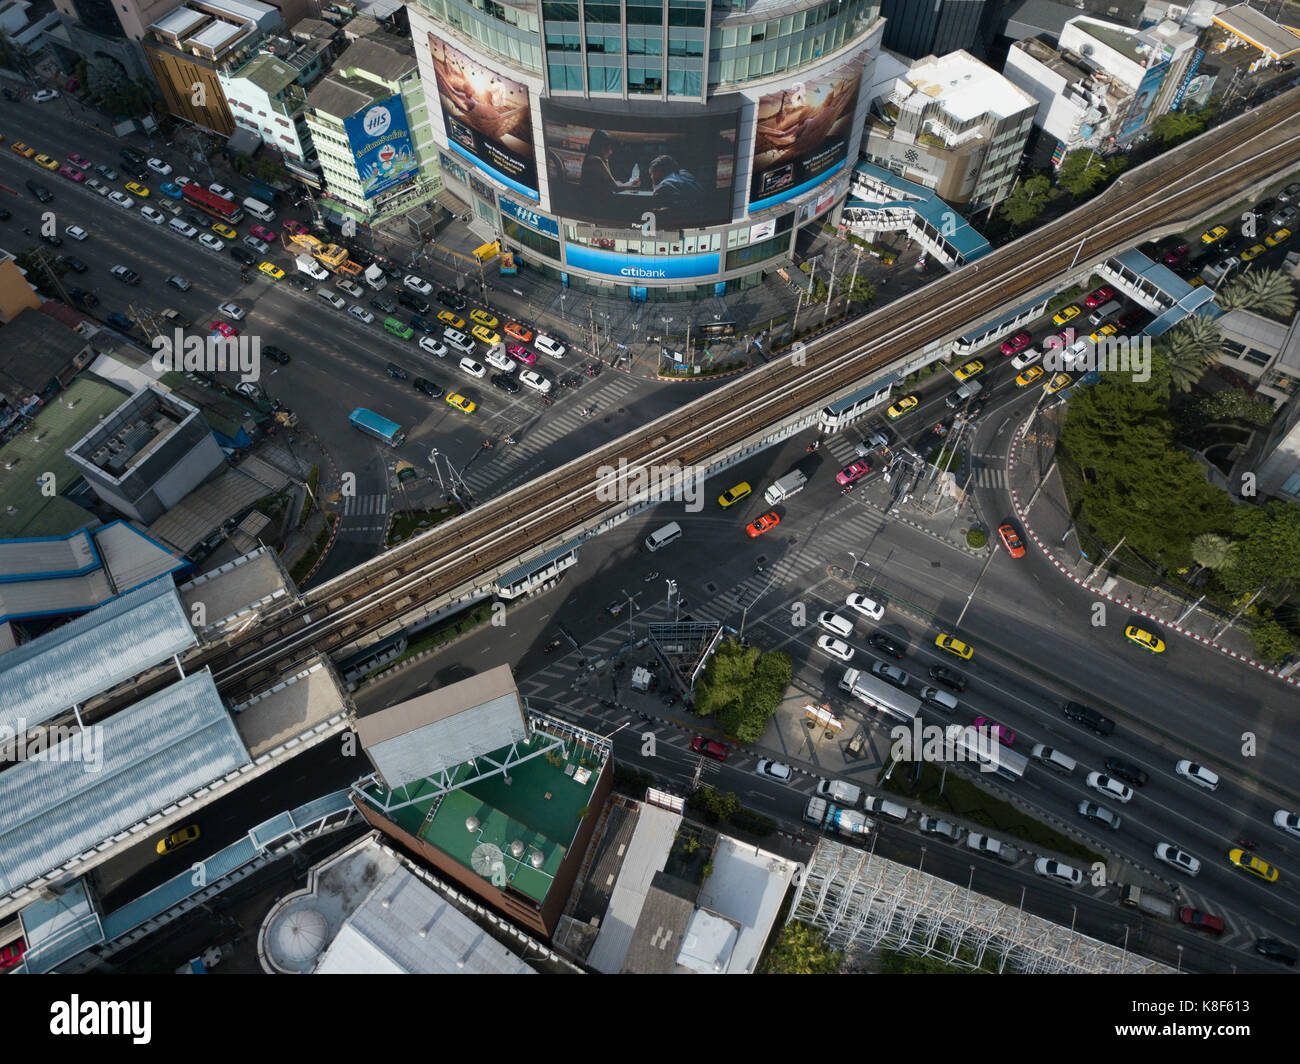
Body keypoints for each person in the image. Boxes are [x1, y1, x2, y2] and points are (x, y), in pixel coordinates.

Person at [578, 130, 638, 218]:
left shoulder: (592, 159)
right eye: (608, 146)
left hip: (596, 205)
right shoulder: (595, 160)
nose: (611, 151)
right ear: (602, 146)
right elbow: (616, 188)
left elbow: (609, 182)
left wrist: (606, 160)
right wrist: (633, 183)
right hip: (597, 208)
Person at [647, 155, 704, 228]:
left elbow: (676, 209)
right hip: (701, 216)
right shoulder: (685, 174)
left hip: (686, 222)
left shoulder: (664, 186)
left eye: (652, 173)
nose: (651, 177)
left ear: (658, 172)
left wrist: (655, 183)